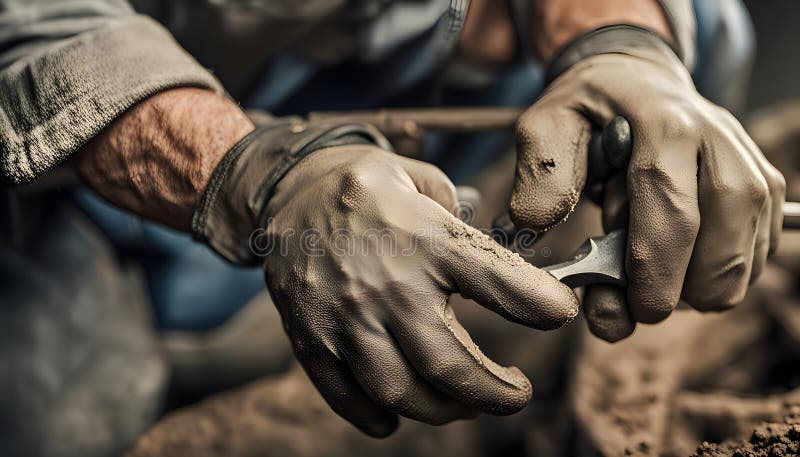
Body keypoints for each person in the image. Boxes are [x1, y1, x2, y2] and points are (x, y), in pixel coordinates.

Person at [0, 0, 785, 453]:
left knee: (704, 39)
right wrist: (254, 174)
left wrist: (621, 41)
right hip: (77, 161)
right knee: (53, 418)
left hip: (436, 111)